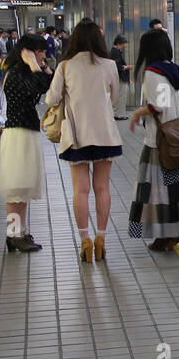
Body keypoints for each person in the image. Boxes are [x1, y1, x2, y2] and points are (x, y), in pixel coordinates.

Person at [45, 18, 123, 262]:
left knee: (81, 189)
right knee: (102, 187)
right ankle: (101, 238)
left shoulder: (65, 66)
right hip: (105, 135)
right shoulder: (110, 64)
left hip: (77, 136)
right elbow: (115, 99)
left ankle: (85, 240)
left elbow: (51, 99)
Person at [126, 29, 179, 252]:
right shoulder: (173, 70)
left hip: (161, 142)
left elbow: (160, 105)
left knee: (157, 191)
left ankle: (164, 235)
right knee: (176, 190)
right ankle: (174, 233)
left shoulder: (153, 72)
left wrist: (139, 113)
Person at [0, 34, 53, 252]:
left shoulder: (26, 72)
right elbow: (36, 88)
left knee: (23, 188)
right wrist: (34, 65)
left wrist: (42, 67)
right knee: (15, 188)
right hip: (17, 135)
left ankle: (20, 232)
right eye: (41, 51)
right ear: (28, 52)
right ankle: (13, 234)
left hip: (27, 133)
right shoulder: (15, 75)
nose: (44, 56)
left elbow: (51, 87)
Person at [110, 35, 132, 119]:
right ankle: (119, 115)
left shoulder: (115, 51)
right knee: (121, 96)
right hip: (120, 78)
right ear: (119, 43)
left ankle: (118, 114)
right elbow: (116, 66)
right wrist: (126, 67)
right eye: (123, 43)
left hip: (120, 77)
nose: (124, 45)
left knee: (119, 96)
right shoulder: (115, 52)